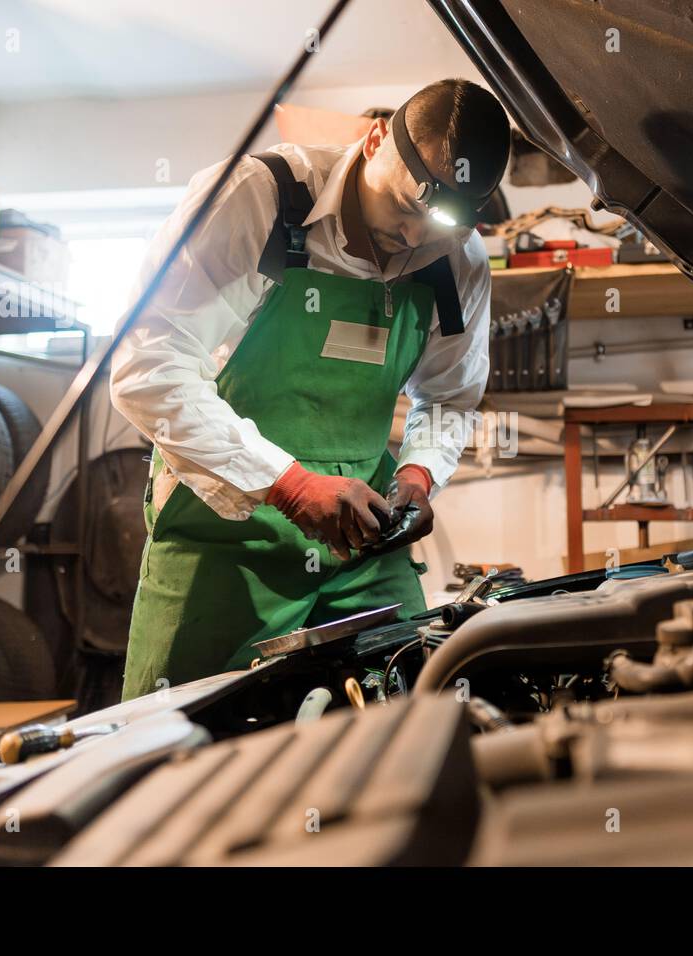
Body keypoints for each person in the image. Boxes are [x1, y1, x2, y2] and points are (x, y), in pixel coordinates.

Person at [110, 79, 510, 700]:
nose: (411, 241)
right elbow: (147, 367)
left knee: (412, 709)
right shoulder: (255, 201)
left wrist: (418, 478)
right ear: (375, 139)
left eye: (436, 232)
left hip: (361, 541)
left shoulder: (460, 262)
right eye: (403, 211)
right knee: (186, 746)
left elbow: (451, 396)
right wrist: (291, 487)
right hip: (226, 537)